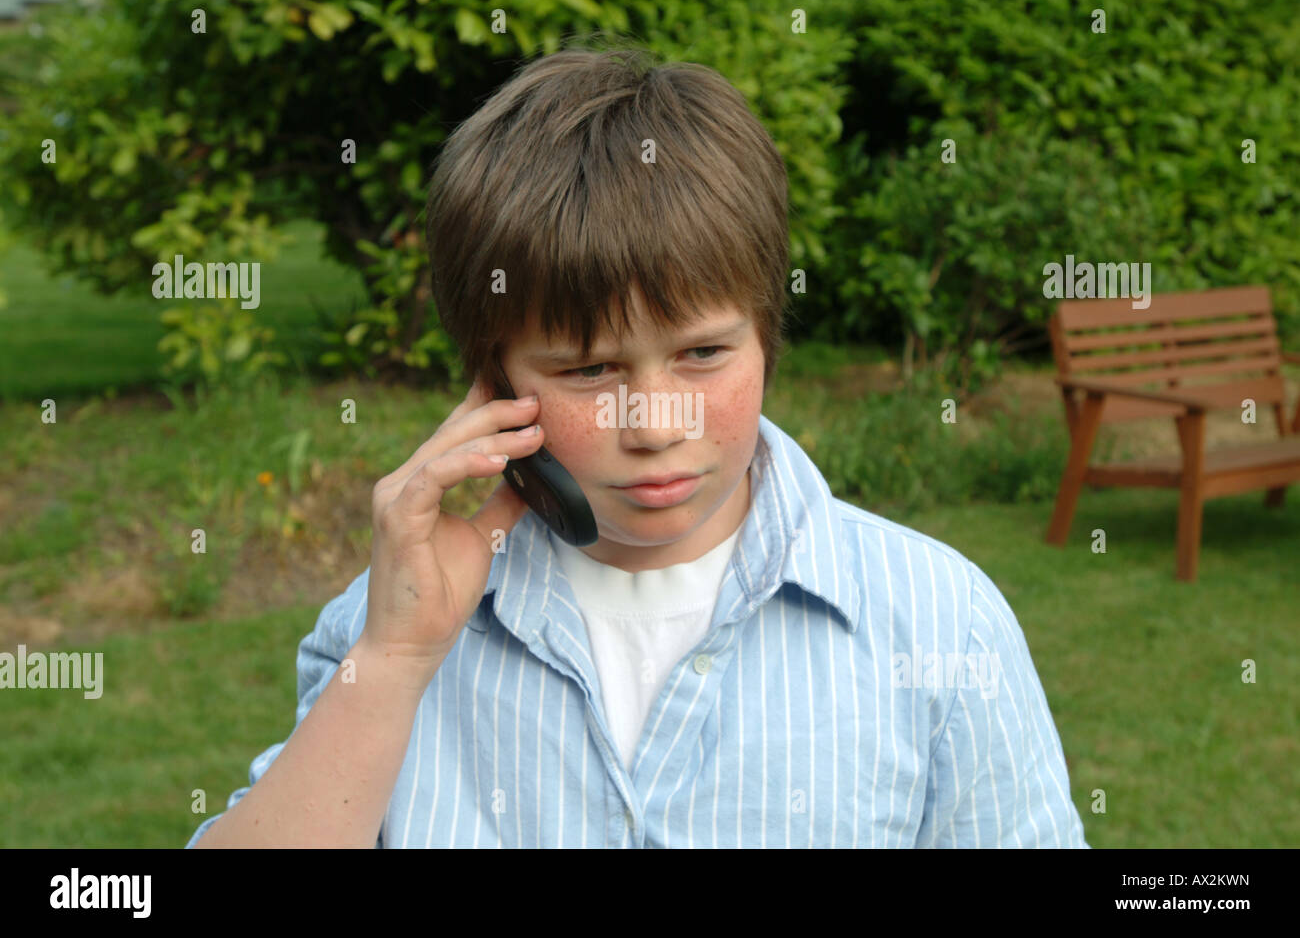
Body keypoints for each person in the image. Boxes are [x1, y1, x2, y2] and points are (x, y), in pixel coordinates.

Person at [187, 45, 1087, 848]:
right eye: (587, 370)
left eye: (702, 353)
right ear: (492, 382)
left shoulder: (939, 620)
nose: (657, 426)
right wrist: (390, 667)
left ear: (768, 336)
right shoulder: (387, 628)